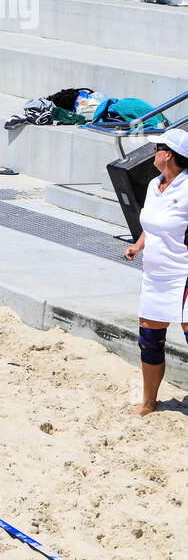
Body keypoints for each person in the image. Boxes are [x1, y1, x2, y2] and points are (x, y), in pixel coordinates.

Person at [123, 128, 188, 415]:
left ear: (168, 155)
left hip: (184, 275)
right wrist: (138, 246)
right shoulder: (153, 185)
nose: (152, 153)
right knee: (149, 340)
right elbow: (152, 225)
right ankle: (148, 403)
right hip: (154, 275)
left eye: (156, 148)